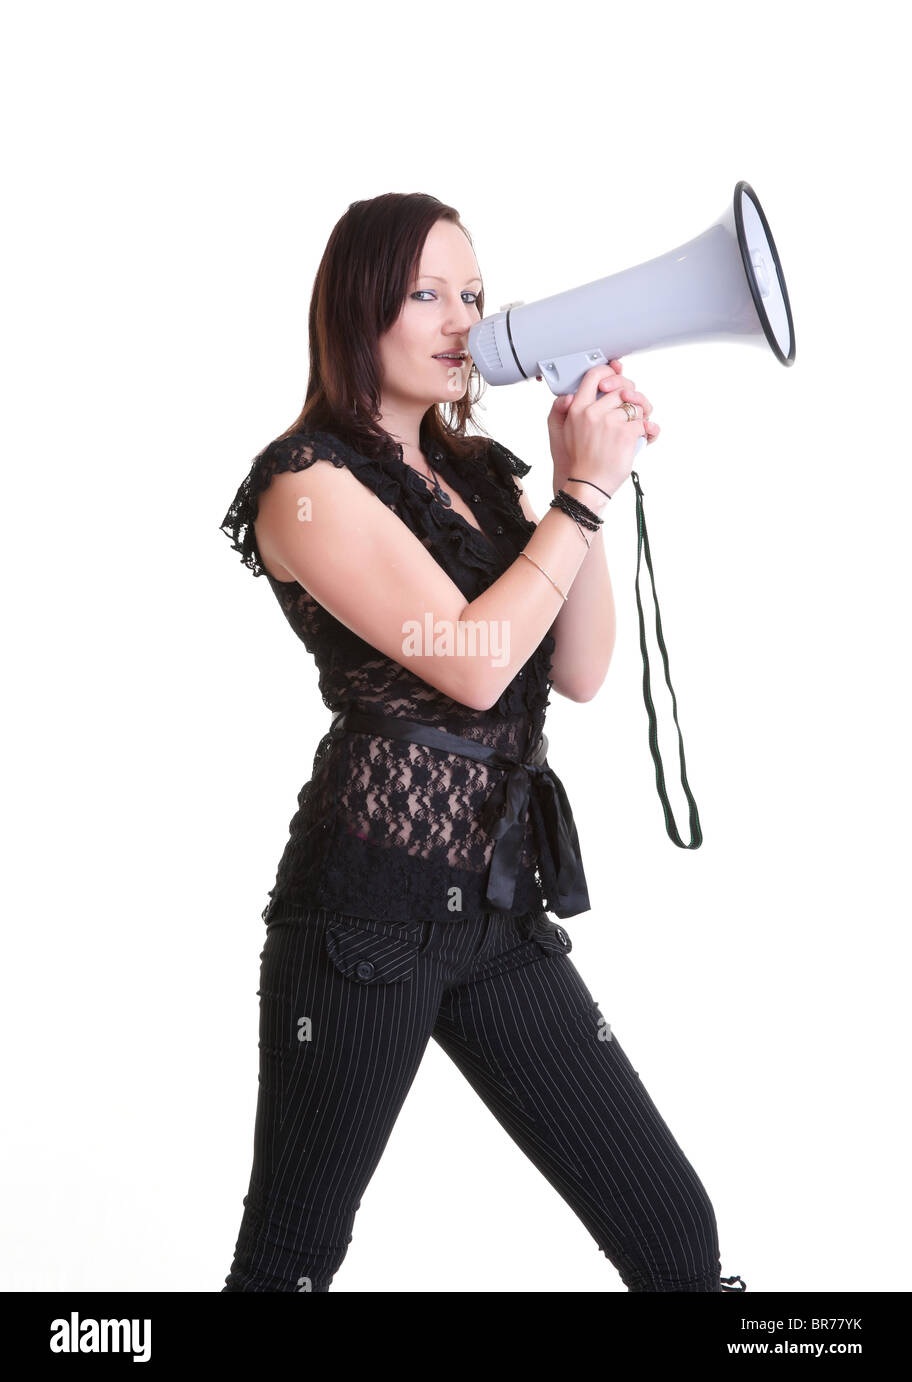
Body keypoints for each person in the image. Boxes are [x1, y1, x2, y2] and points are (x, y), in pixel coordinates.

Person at [218, 192, 745, 1293]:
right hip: (365, 909)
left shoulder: (486, 476)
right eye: (426, 293)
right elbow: (468, 657)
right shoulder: (305, 486)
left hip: (498, 906)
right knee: (290, 1265)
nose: (460, 318)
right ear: (357, 306)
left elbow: (580, 668)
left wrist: (576, 485)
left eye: (473, 294)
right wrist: (584, 498)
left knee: (674, 1233)